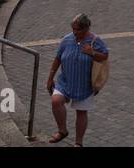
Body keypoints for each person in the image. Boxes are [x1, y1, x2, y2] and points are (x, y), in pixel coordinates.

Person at [46, 13, 109, 146]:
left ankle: (78, 143)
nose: (75, 32)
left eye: (78, 29)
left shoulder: (95, 41)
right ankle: (62, 131)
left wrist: (92, 52)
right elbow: (58, 58)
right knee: (56, 101)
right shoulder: (67, 39)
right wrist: (50, 77)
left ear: (87, 28)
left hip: (84, 85)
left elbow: (104, 56)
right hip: (65, 81)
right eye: (73, 28)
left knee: (81, 112)